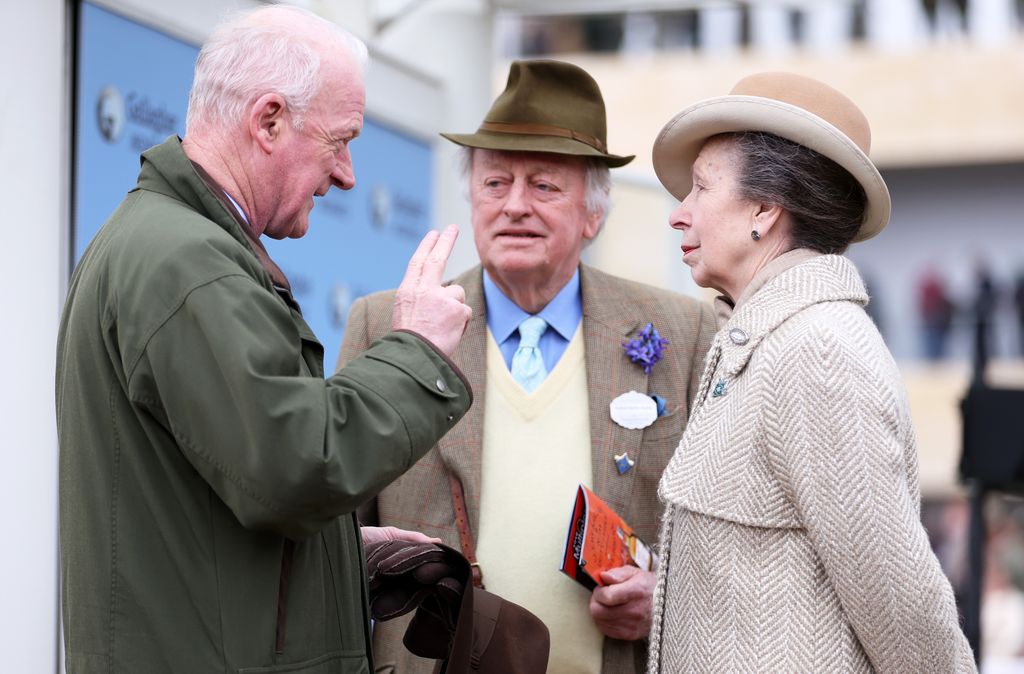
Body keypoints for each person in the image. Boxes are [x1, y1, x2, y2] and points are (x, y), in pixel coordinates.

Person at [56, 6, 474, 673]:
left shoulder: (170, 246)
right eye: (341, 140)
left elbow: (218, 495)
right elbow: (294, 469)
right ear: (269, 120)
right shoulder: (188, 264)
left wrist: (338, 555)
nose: (348, 174)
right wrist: (417, 350)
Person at [338, 59, 715, 674]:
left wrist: (666, 598)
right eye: (495, 183)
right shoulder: (388, 325)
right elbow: (335, 537)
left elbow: (717, 537)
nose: (515, 206)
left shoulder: (682, 331)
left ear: (593, 214)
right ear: (472, 198)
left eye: (544, 186)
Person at [646, 72, 976, 672]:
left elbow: (906, 614)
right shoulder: (764, 338)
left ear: (765, 209)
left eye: (701, 188)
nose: (679, 214)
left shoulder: (815, 351)